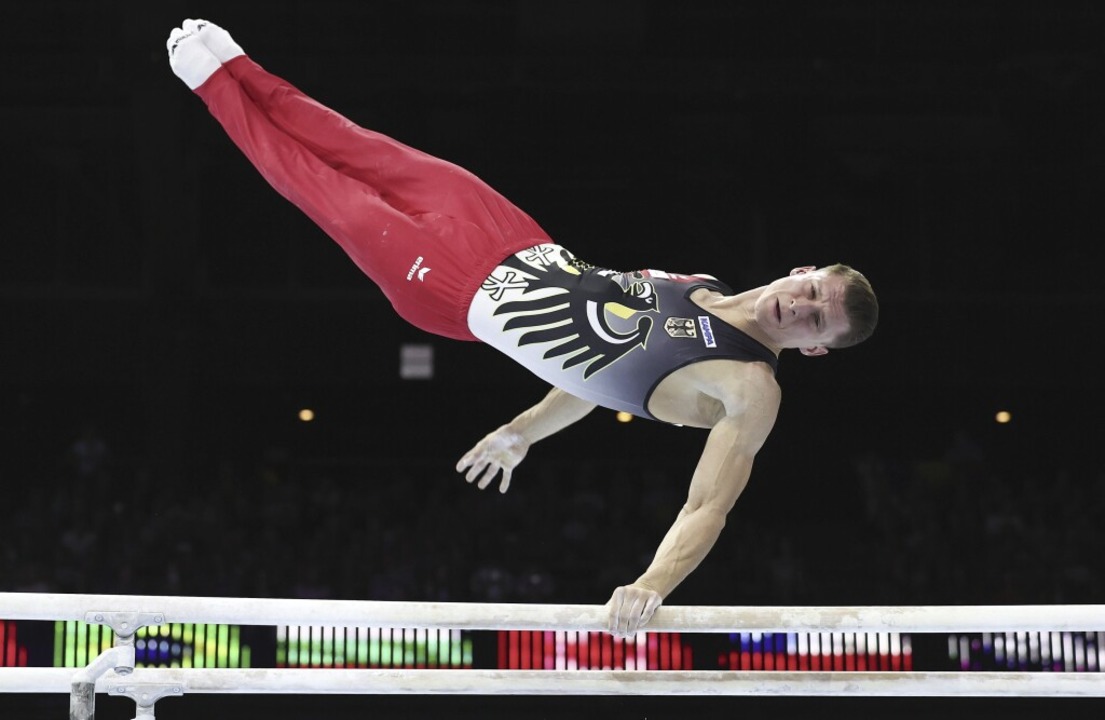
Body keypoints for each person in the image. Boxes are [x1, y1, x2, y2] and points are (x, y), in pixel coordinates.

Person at [166, 19, 879, 638]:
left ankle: (212, 87)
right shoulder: (703, 285)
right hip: (515, 235)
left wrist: (652, 583)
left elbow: (707, 503)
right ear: (800, 268)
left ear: (813, 348)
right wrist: (519, 433)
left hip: (461, 291)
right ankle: (239, 66)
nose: (802, 306)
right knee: (358, 146)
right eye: (811, 290)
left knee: (325, 190)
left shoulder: (749, 387)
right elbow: (595, 374)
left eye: (817, 319)